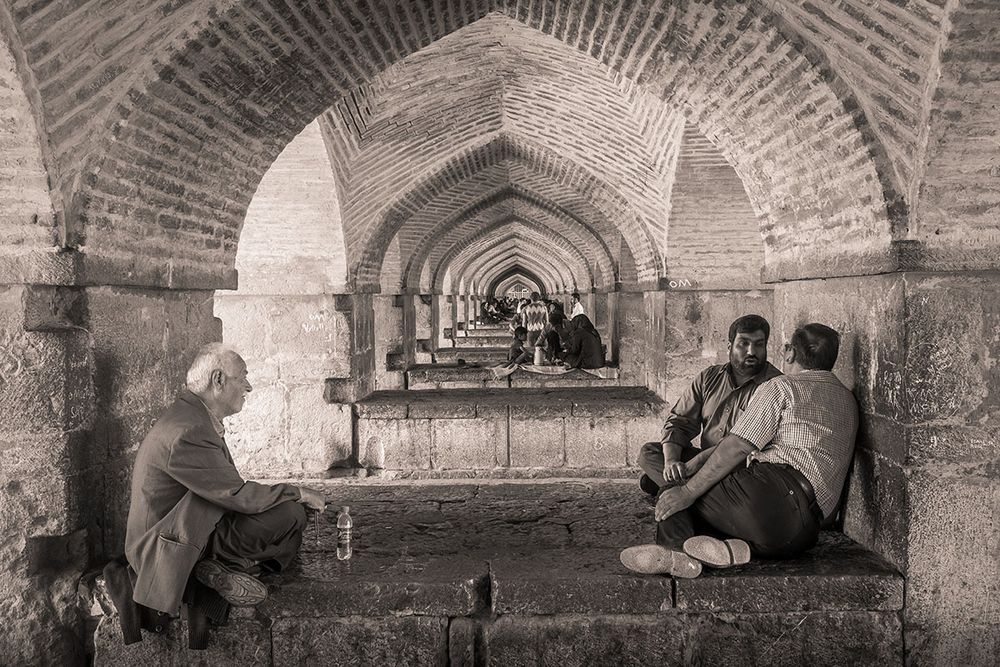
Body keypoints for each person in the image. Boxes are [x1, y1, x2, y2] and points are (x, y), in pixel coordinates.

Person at [620, 323, 859, 578]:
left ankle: (676, 551)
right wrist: (695, 463)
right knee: (678, 473)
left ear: (789, 353)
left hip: (766, 497)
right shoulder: (848, 400)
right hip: (802, 534)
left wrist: (687, 492)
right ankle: (732, 549)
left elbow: (737, 448)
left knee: (676, 489)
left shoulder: (781, 386)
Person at [125, 343, 327, 615]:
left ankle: (228, 568)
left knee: (292, 523)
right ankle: (213, 566)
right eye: (242, 377)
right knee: (291, 514)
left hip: (196, 523)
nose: (249, 387)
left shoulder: (192, 416)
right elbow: (237, 495)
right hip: (166, 545)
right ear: (218, 380)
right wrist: (298, 492)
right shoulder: (190, 430)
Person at [636, 314, 781, 499]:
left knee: (747, 483)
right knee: (650, 453)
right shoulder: (709, 378)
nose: (751, 351)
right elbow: (680, 422)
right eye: (743, 343)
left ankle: (678, 491)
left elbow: (747, 447)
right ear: (730, 347)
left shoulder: (775, 386)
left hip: (743, 469)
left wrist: (695, 464)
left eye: (759, 344)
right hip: (703, 464)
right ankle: (696, 494)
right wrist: (671, 462)